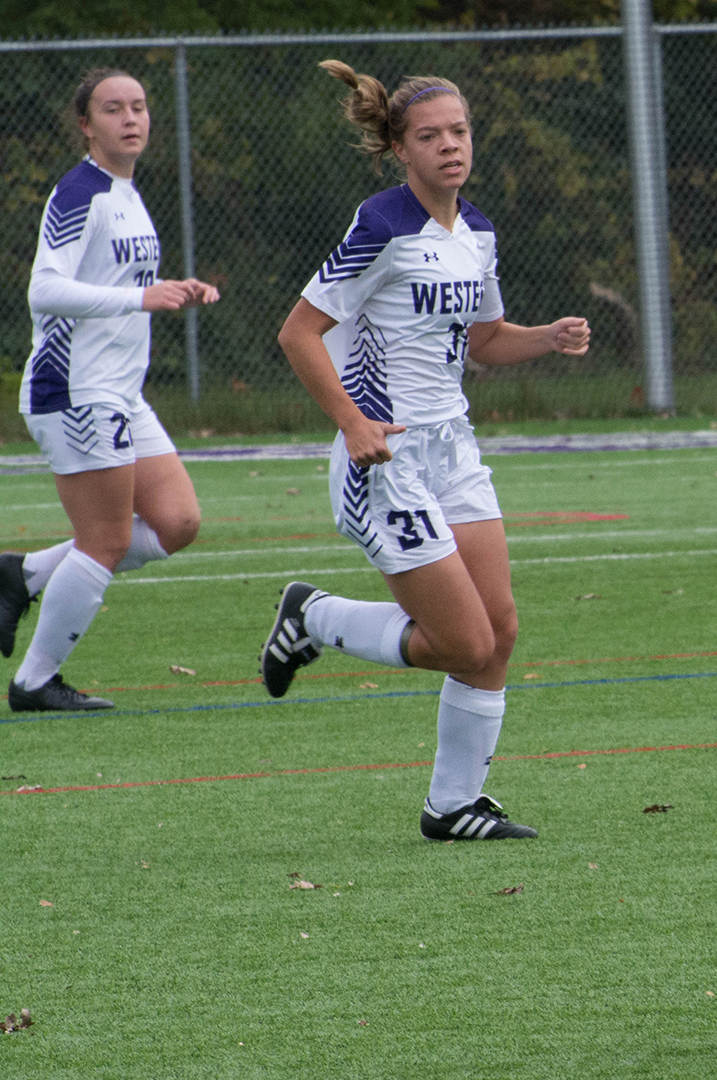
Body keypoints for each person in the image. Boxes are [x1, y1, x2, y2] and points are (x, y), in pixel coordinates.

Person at [261, 61, 590, 840]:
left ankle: (452, 806)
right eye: (430, 136)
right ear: (400, 150)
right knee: (462, 642)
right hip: (386, 457)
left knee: (499, 634)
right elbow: (298, 332)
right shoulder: (380, 224)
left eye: (460, 131)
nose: (450, 146)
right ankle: (316, 617)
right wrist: (352, 422)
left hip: (454, 448)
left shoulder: (475, 232)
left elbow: (481, 341)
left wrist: (544, 338)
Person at [1, 69, 218, 713]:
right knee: (107, 540)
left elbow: (115, 281)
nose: (131, 118)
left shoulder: (124, 191)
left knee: (177, 522)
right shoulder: (80, 191)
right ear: (85, 126)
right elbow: (46, 288)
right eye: (113, 108)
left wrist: (173, 288)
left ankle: (24, 574)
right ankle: (35, 682)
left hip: (121, 392)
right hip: (74, 390)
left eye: (140, 107)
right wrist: (141, 296)